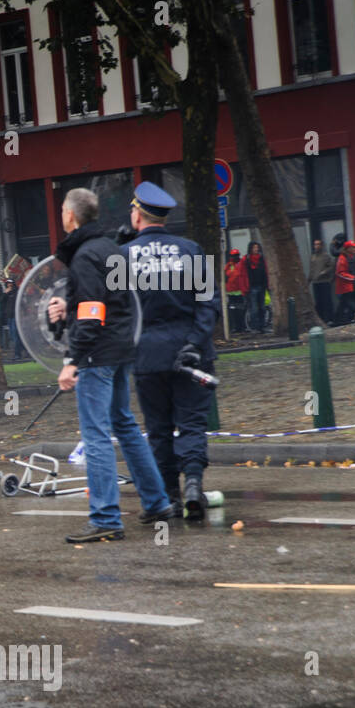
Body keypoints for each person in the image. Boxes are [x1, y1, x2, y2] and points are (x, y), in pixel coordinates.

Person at [45, 187, 174, 543]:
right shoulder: (108, 249)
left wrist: (72, 360)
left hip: (96, 354)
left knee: (96, 435)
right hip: (119, 350)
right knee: (126, 426)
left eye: (62, 211)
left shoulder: (85, 255)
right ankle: (157, 501)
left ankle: (105, 517)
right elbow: (114, 303)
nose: (61, 216)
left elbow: (92, 312)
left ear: (70, 215)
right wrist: (65, 308)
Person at [121, 181, 219, 520]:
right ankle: (194, 485)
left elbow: (119, 311)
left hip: (147, 356)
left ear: (137, 215)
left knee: (159, 428)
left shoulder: (124, 256)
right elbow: (208, 303)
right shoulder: (190, 249)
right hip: (191, 355)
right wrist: (195, 343)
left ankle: (170, 496)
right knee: (192, 424)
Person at [242, 242, 269, 333]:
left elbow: (265, 271)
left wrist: (266, 284)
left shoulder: (261, 259)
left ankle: (262, 326)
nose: (256, 249)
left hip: (261, 285)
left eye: (257, 247)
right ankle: (255, 327)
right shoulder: (246, 260)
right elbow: (243, 274)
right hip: (252, 287)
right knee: (254, 308)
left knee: (262, 307)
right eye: (254, 248)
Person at [309, 238, 335, 325]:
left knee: (327, 301)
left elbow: (331, 267)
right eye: (315, 244)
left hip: (324, 281)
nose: (316, 246)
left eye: (318, 244)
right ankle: (321, 318)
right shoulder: (313, 257)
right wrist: (309, 280)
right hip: (316, 283)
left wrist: (324, 272)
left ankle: (329, 319)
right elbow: (311, 270)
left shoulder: (326, 256)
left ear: (322, 245)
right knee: (318, 302)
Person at [334, 240, 355, 326]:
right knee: (351, 304)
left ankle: (341, 320)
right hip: (346, 287)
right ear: (348, 248)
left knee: (345, 304)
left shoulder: (353, 257)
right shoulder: (342, 258)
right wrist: (352, 278)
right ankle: (354, 317)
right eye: (353, 247)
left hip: (354, 285)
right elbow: (340, 273)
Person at [223, 248, 247, 333]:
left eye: (236, 255)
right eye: (233, 256)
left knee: (241, 310)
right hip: (231, 292)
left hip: (239, 291)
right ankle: (236, 327)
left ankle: (241, 327)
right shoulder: (229, 265)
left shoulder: (241, 264)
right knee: (233, 310)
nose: (235, 257)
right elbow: (227, 276)